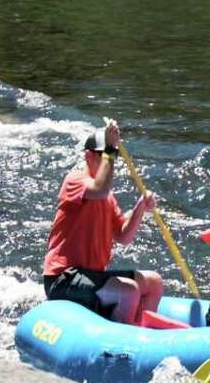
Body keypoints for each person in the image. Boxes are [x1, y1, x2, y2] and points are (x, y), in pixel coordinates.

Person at [40, 118, 165, 325]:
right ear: (89, 156)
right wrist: (109, 148)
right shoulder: (75, 181)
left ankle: (143, 335)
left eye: (113, 155)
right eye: (105, 155)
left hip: (91, 276)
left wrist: (140, 208)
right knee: (128, 291)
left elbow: (124, 236)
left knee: (154, 282)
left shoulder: (107, 198)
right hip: (63, 278)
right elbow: (100, 189)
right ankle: (120, 345)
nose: (110, 160)